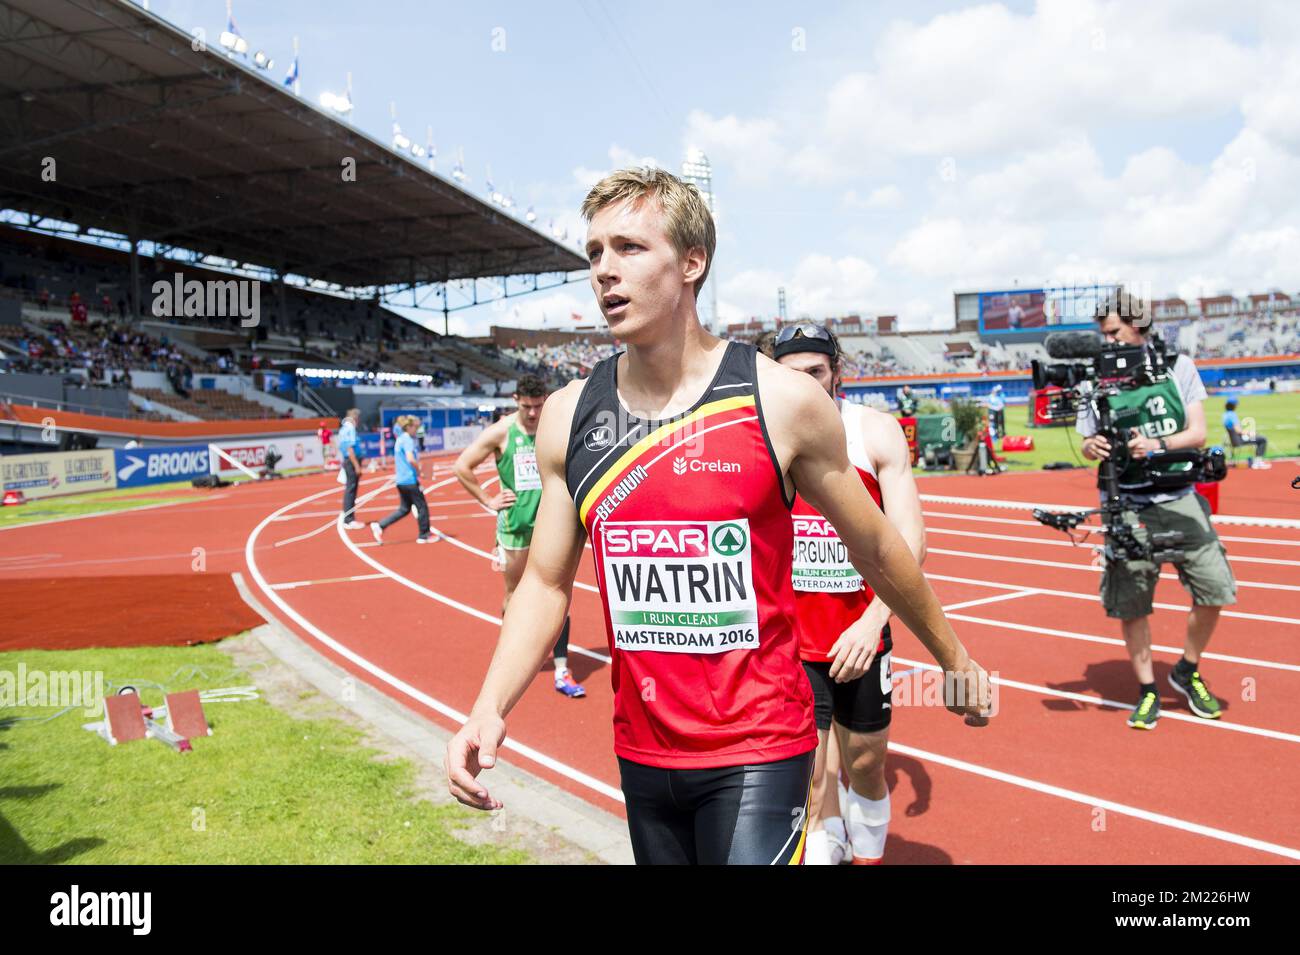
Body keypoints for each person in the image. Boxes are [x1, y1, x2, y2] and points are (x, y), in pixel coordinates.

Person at [444, 166, 991, 865]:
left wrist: (955, 659)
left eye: (629, 248)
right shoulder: (568, 415)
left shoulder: (781, 401)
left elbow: (879, 549)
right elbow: (547, 585)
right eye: (593, 253)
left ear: (693, 262)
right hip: (642, 753)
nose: (604, 272)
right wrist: (488, 706)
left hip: (760, 747)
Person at [760, 324, 925, 866]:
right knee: (809, 777)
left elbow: (909, 544)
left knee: (867, 764)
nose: (805, 384)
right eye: (792, 374)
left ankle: (865, 844)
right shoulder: (763, 436)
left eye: (816, 372)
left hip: (861, 635)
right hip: (791, 644)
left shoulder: (875, 432)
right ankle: (825, 843)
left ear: (837, 371)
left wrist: (872, 621)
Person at [1078, 293, 1236, 729]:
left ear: (1138, 325)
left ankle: (1186, 668)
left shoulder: (1177, 366)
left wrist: (1156, 446)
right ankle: (1149, 690)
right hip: (1127, 502)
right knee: (1132, 602)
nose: (1108, 340)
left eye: (1114, 331)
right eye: (1103, 334)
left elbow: (1199, 432)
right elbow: (1087, 443)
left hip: (1180, 495)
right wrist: (1093, 446)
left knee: (1216, 588)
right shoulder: (1095, 377)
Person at [453, 375, 585, 699]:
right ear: (515, 400)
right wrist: (487, 500)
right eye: (526, 407)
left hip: (551, 526)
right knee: (514, 595)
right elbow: (462, 466)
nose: (532, 413)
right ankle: (511, 659)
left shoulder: (553, 425)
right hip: (514, 528)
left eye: (538, 406)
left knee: (559, 595)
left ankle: (562, 668)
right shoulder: (501, 432)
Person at [371, 416, 436, 544]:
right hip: (409, 480)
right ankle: (424, 535)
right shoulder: (407, 440)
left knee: (404, 509)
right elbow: (411, 458)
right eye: (415, 427)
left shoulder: (400, 439)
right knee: (422, 507)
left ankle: (381, 525)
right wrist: (420, 472)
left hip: (401, 480)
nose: (416, 430)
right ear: (409, 427)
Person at [1223, 398, 1270, 469]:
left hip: (1234, 439)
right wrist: (1250, 433)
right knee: (1262, 439)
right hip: (1239, 440)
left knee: (1258, 438)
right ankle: (1258, 462)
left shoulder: (1225, 415)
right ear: (1234, 405)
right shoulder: (1232, 415)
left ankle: (1257, 461)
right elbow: (1238, 431)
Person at [338, 408, 365, 529]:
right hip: (351, 461)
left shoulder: (344, 429)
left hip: (348, 461)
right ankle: (349, 519)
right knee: (351, 490)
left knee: (350, 489)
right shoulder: (350, 429)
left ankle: (348, 518)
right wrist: (357, 466)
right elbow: (350, 449)